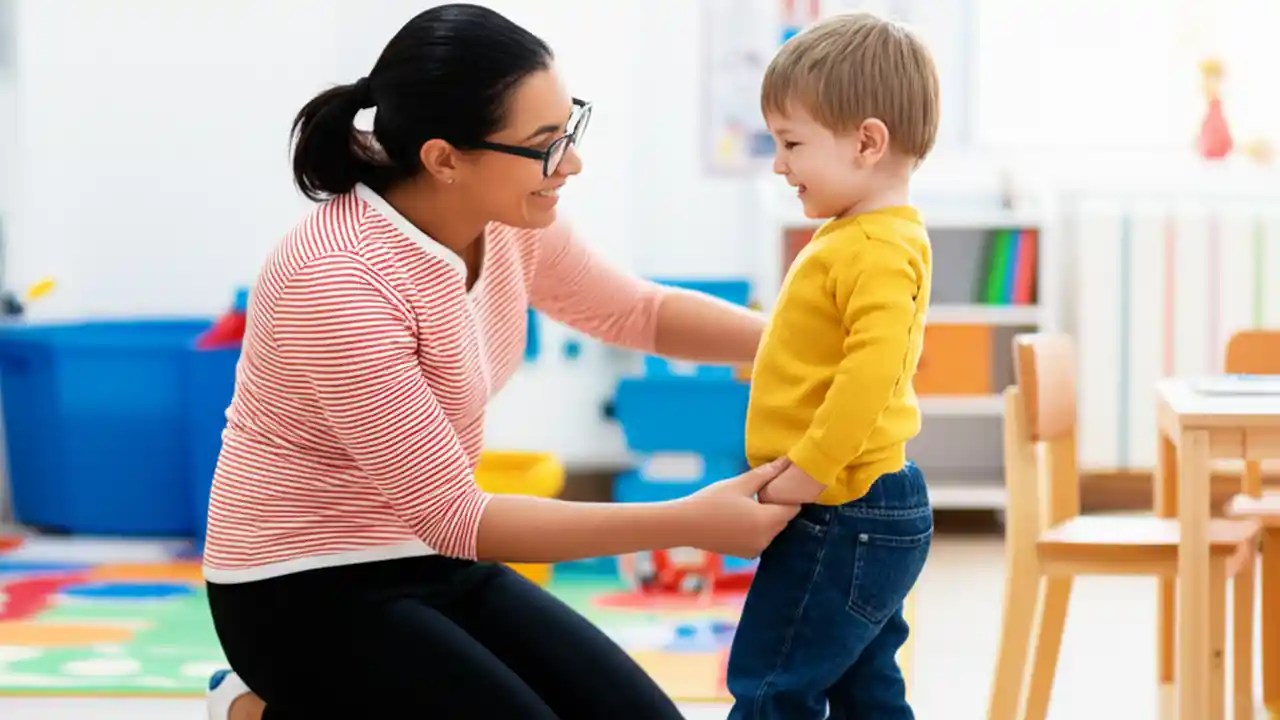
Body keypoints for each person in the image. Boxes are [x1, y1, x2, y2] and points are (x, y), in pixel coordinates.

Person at [201, 5, 799, 719]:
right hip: (298, 586)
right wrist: (687, 520)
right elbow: (458, 515)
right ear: (443, 159)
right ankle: (258, 707)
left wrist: (806, 349)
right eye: (545, 144)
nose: (571, 163)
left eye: (568, 129)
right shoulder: (335, 280)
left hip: (435, 560)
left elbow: (637, 313)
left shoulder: (507, 221)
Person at [724, 12, 940, 720]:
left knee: (771, 683)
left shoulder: (873, 246)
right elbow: (834, 350)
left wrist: (812, 469)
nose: (779, 163)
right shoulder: (870, 236)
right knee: (864, 687)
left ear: (867, 142)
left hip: (842, 506)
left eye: (791, 143)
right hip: (867, 502)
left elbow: (872, 373)